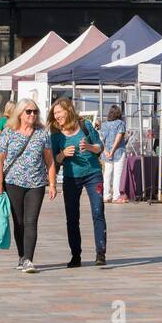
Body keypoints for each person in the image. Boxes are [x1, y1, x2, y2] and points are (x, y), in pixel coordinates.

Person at [0, 100, 57, 273]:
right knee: (19, 222)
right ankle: (22, 256)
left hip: (36, 184)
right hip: (13, 183)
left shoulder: (42, 133)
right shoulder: (9, 132)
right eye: (28, 111)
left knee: (31, 222)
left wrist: (52, 183)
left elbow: (49, 160)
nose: (32, 115)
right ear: (20, 113)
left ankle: (28, 259)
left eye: (35, 112)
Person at [49, 97, 107, 267]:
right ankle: (76, 255)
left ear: (68, 110)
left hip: (93, 174)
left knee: (98, 212)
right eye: (55, 113)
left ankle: (100, 253)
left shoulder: (85, 125)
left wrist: (89, 147)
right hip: (70, 177)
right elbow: (54, 160)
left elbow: (99, 147)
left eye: (59, 112)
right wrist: (63, 154)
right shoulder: (56, 134)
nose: (57, 116)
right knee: (72, 217)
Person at [99, 104, 127, 204]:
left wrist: (106, 151)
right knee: (117, 175)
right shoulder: (121, 123)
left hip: (106, 153)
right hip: (118, 152)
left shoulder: (104, 124)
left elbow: (101, 139)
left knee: (107, 175)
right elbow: (118, 138)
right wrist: (113, 151)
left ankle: (106, 196)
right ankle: (116, 196)